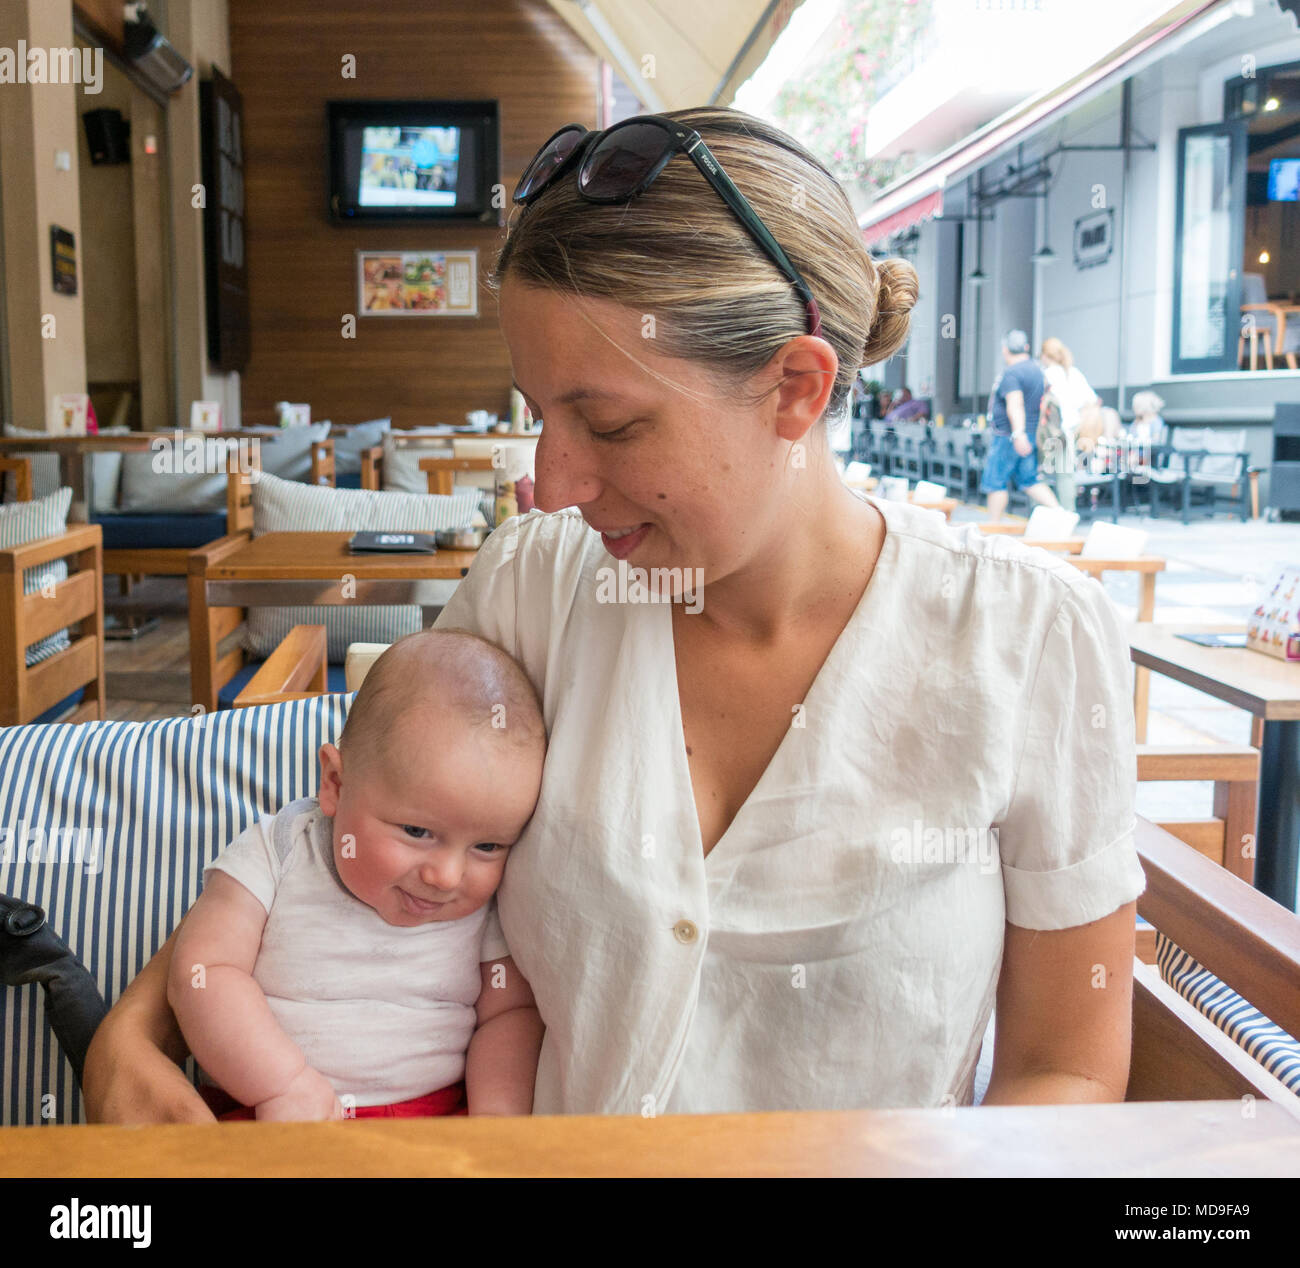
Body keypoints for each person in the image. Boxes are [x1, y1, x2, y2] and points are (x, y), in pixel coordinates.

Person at [84, 107, 1143, 1123]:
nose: (550, 479)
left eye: (610, 422)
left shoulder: (1031, 641)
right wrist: (128, 1031)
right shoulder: (532, 589)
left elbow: (1066, 1071)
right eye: (536, 413)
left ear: (795, 389)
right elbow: (341, 836)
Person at [168, 629, 547, 1121]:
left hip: (433, 1121)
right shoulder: (278, 849)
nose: (448, 875)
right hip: (273, 1112)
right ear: (335, 784)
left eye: (488, 845)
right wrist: (282, 1084)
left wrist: (496, 1121)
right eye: (417, 831)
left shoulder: (485, 902)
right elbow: (203, 973)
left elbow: (509, 1014)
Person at [980, 330, 1061, 523]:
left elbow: (1014, 404)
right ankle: (1060, 514)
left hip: (1009, 436)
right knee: (1029, 480)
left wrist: (1018, 434)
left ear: (1005, 349)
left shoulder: (1012, 373)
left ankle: (993, 528)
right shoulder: (1037, 370)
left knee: (995, 482)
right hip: (1031, 434)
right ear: (1026, 348)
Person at [1038, 337, 1101, 512]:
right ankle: (1066, 515)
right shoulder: (1074, 373)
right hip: (1072, 430)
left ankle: (1052, 514)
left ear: (1045, 355)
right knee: (1065, 475)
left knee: (1041, 474)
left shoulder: (1047, 375)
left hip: (1052, 432)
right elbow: (1092, 401)